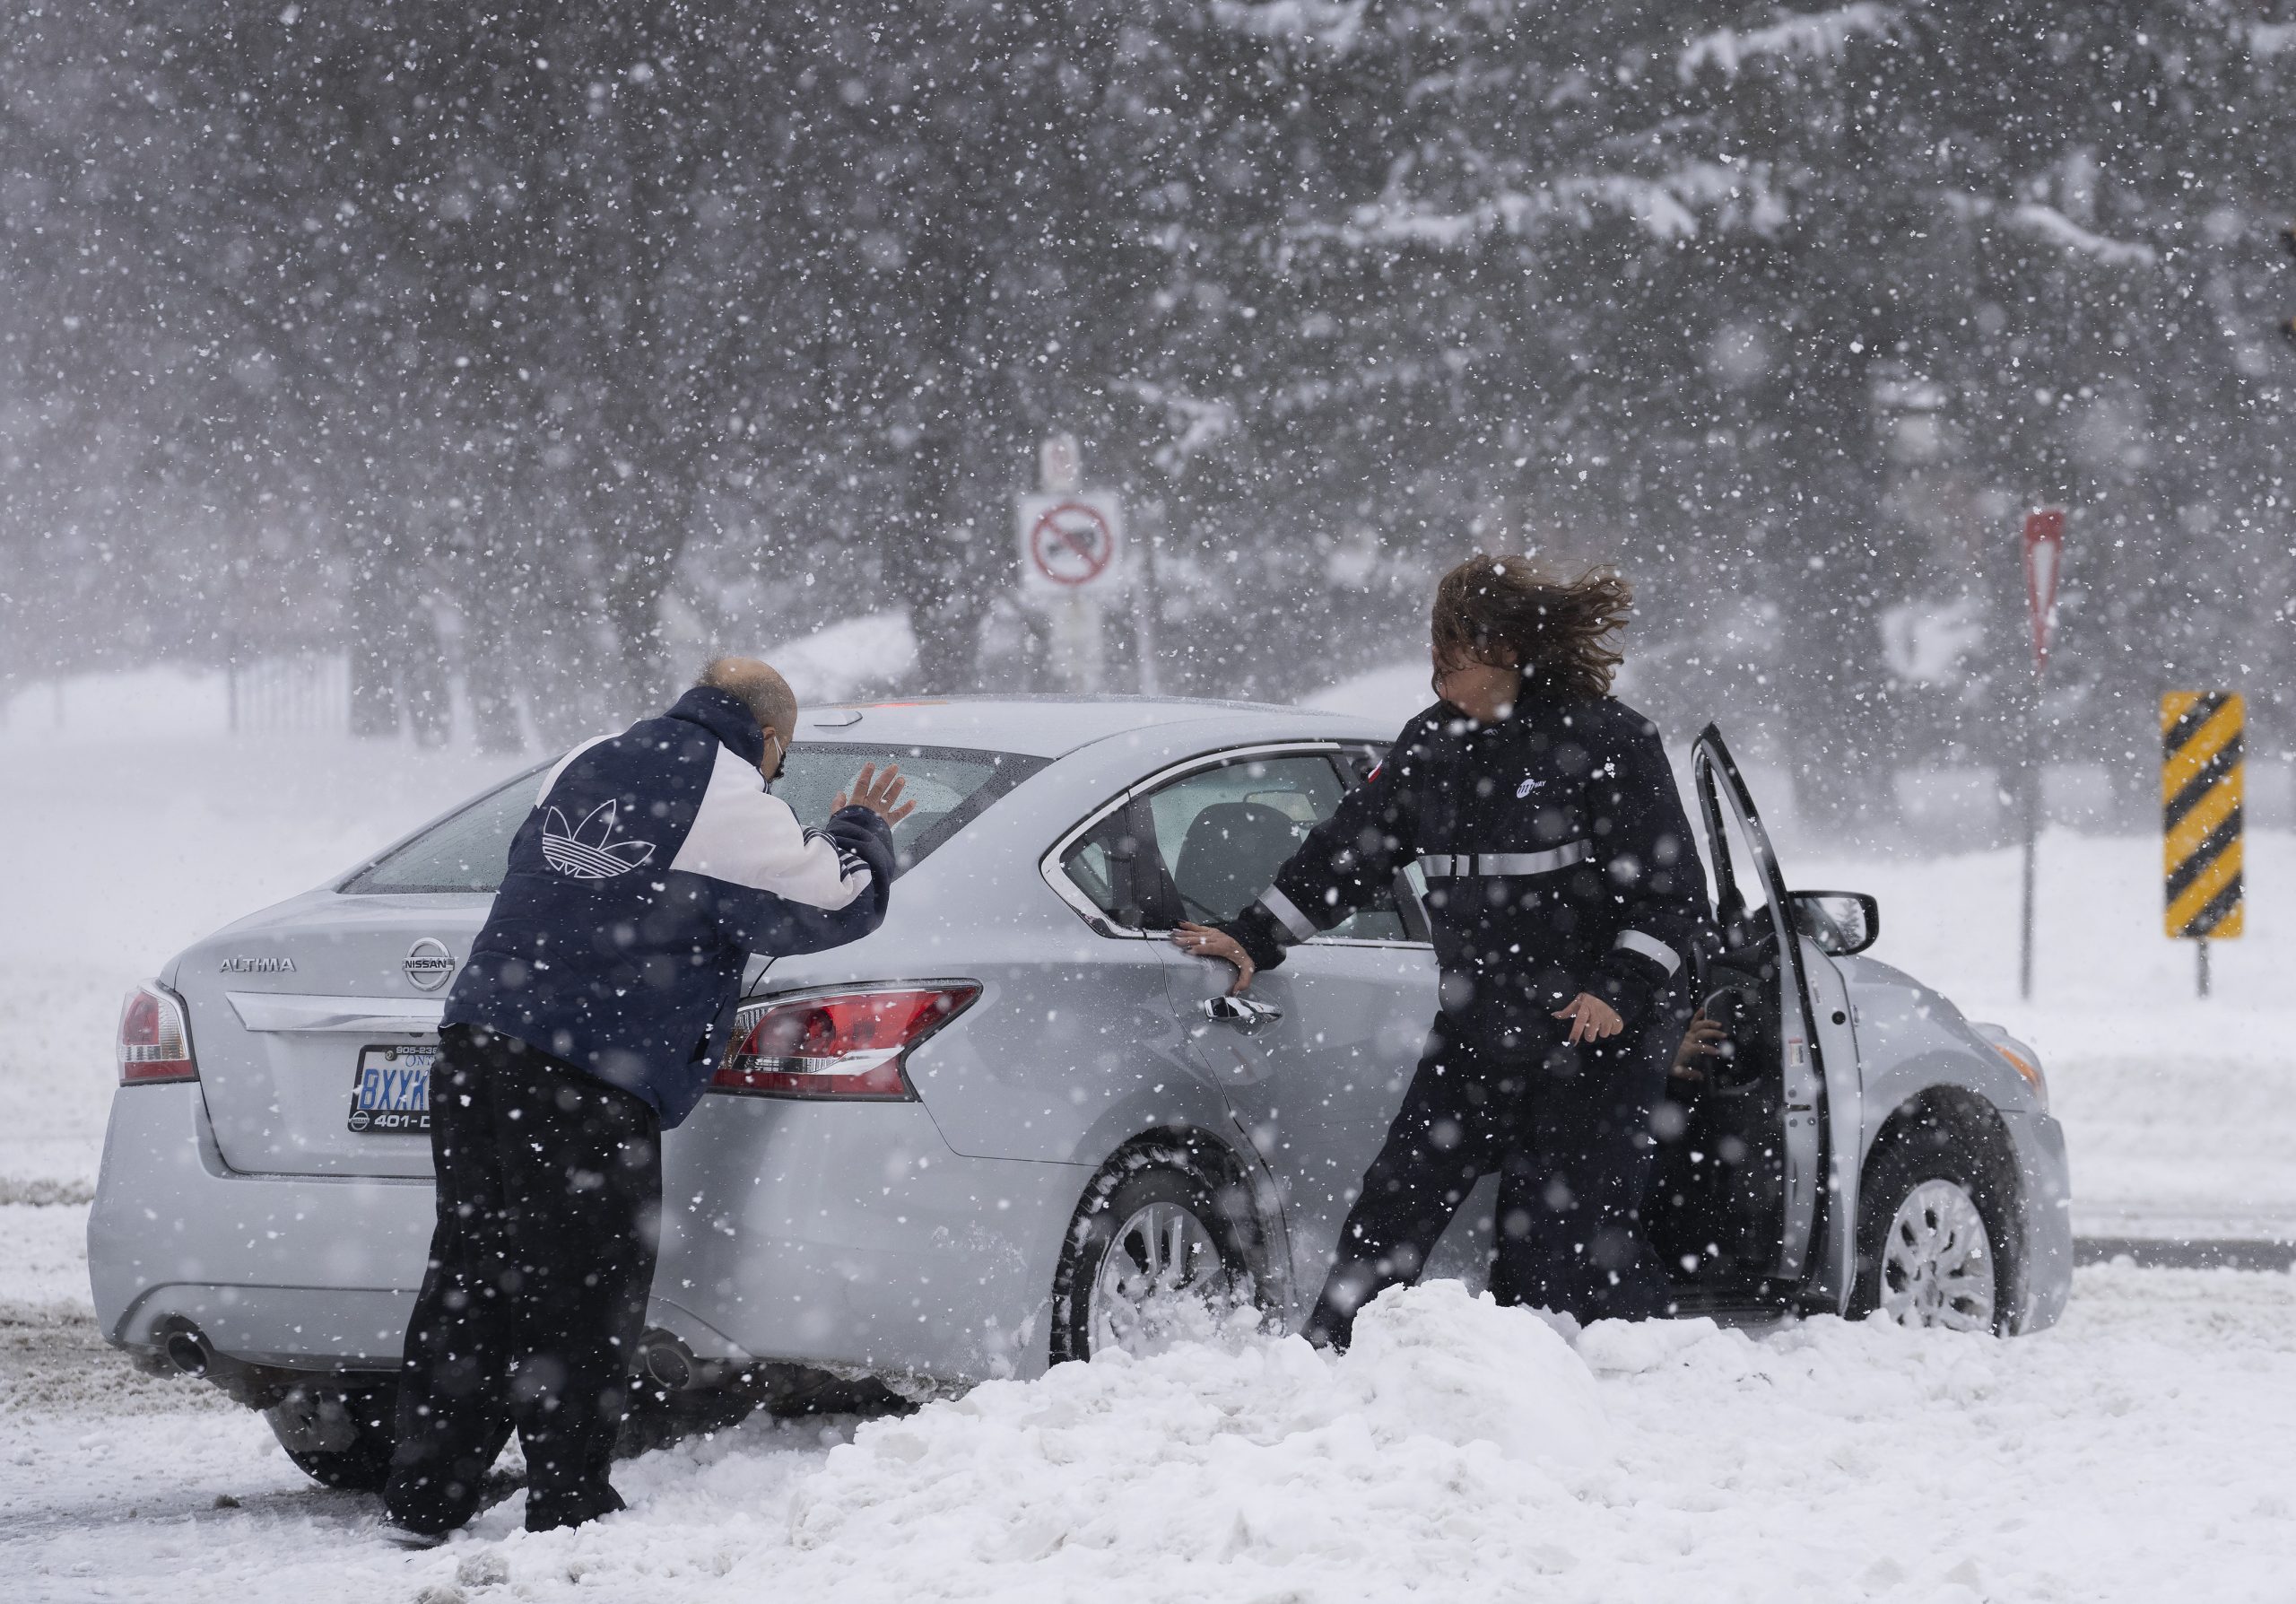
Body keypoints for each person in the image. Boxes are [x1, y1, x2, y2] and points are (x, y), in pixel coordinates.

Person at [384, 658, 912, 1536]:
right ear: (770, 737)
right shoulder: (729, 791)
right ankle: (569, 1500)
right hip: (582, 1074)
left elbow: (556, 874)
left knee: (471, 1275)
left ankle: (423, 1496)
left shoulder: (587, 755)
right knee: (584, 1290)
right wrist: (860, 827)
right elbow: (835, 903)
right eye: (782, 755)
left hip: (477, 1048)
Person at [1174, 554, 1716, 1346]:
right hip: (1480, 1024)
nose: (1435, 660)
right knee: (1397, 1200)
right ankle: (1333, 1354)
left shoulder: (1608, 740)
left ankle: (1578, 1375)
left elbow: (1671, 898)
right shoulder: (1434, 745)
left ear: (1503, 648)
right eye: (1434, 640)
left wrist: (1616, 992)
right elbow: (1349, 853)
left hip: (1591, 1036)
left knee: (1557, 1236)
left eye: (1451, 643)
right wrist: (1255, 936)